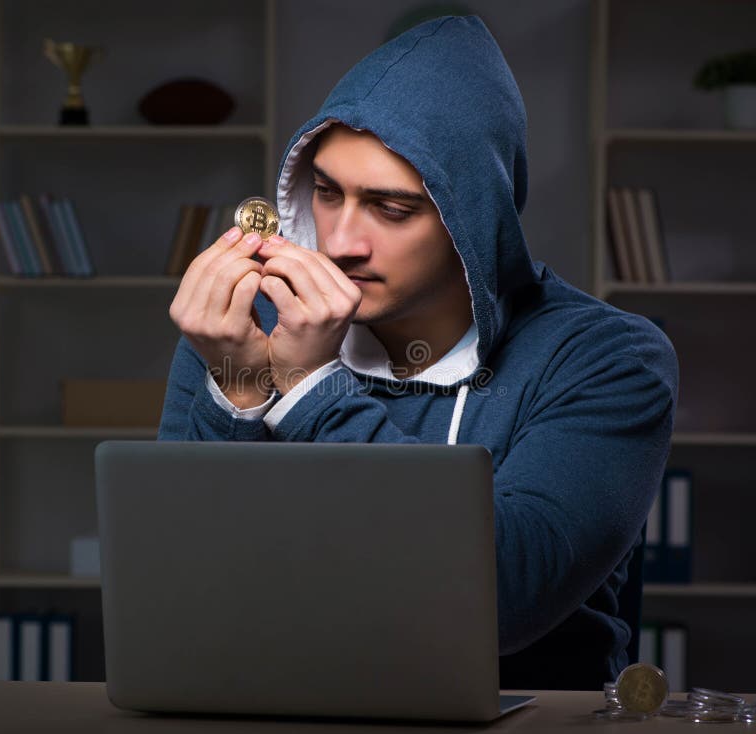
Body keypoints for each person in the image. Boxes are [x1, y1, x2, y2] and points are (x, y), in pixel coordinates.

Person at [158, 15, 678, 689]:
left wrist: (310, 386)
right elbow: (177, 583)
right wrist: (238, 395)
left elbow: (501, 599)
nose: (340, 242)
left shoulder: (609, 359)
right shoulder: (240, 332)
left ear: (476, 219)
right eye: (327, 192)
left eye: (391, 208)